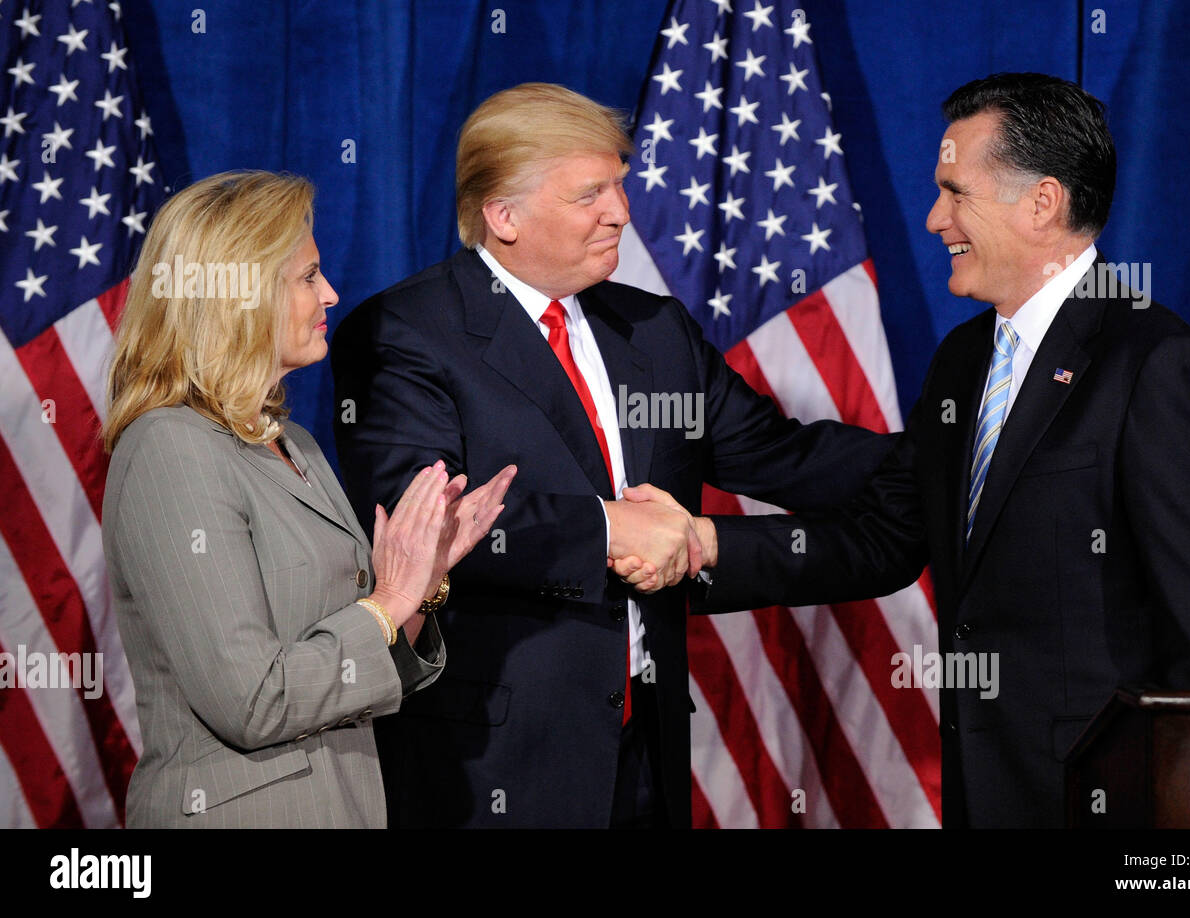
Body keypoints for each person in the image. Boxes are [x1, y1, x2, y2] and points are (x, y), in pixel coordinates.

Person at [683, 73, 1190, 828]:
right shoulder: (964, 358)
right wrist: (703, 544)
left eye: (955, 192)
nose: (933, 219)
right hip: (981, 796)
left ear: (1042, 203)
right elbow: (887, 535)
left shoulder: (1151, 362)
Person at [329, 83, 892, 828]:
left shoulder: (652, 329)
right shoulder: (404, 332)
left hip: (644, 755)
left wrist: (957, 457)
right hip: (492, 768)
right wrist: (611, 530)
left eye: (620, 186)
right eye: (590, 194)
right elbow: (427, 517)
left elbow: (785, 456)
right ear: (504, 216)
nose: (621, 212)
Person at [101, 170, 515, 827]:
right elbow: (253, 701)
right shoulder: (170, 450)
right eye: (307, 277)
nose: (330, 292)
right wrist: (390, 599)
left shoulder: (294, 443)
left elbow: (357, 675)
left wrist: (424, 583)